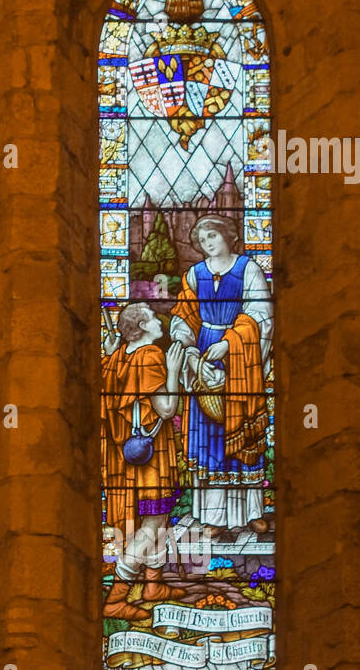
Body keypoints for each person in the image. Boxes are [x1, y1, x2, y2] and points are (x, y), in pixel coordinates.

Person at [169, 215, 272, 539]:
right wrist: (185, 345)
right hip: (203, 360)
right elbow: (184, 316)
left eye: (213, 236)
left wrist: (229, 344)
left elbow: (262, 316)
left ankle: (251, 511)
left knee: (242, 432)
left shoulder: (248, 269)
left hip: (240, 360)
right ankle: (212, 515)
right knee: (211, 438)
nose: (208, 243)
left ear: (228, 236)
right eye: (202, 240)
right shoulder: (194, 275)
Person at [101, 302, 186, 622]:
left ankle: (153, 585)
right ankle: (116, 596)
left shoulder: (120, 357)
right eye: (151, 316)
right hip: (152, 455)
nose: (158, 319)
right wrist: (174, 371)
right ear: (141, 327)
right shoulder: (150, 356)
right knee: (152, 526)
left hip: (132, 452)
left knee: (160, 520)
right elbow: (166, 410)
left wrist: (110, 353)